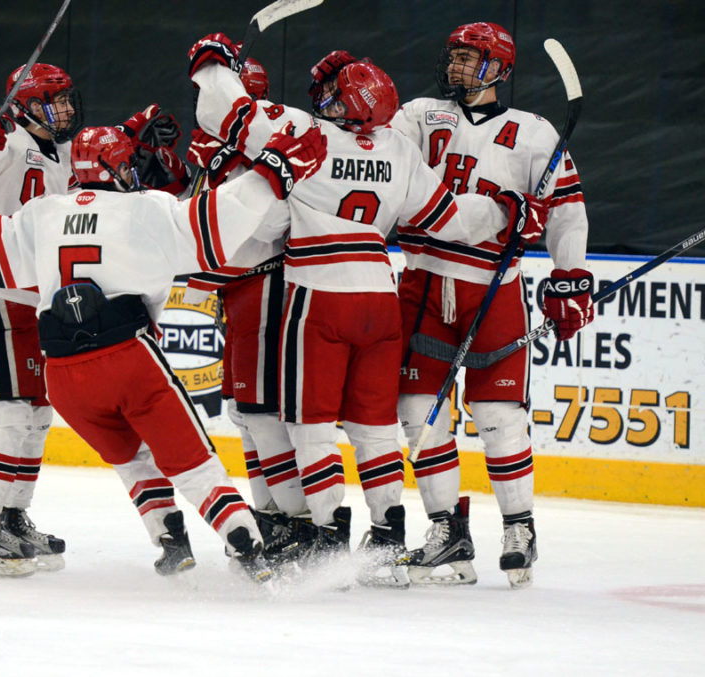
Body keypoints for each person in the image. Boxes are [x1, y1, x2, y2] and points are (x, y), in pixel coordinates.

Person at [0, 121, 329, 582]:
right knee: (192, 462)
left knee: (130, 458)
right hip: (128, 358)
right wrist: (272, 171)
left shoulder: (42, 212)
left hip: (62, 374)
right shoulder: (148, 209)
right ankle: (246, 544)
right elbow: (218, 221)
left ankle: (169, 538)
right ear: (116, 168)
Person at [188, 34, 539, 585]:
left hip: (319, 298)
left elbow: (223, 112)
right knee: (375, 428)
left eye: (332, 94)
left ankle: (329, 537)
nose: (323, 99)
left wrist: (211, 64)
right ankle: (387, 537)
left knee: (311, 427)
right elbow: (452, 217)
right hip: (379, 302)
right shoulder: (400, 152)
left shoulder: (308, 134)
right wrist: (506, 209)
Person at [0, 63, 193, 577]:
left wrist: (140, 133)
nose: (68, 111)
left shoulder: (69, 153)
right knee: (9, 409)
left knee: (34, 414)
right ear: (24, 105)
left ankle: (10, 514)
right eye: (54, 102)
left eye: (69, 100)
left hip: (43, 300)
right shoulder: (2, 144)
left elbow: (110, 156)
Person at [387, 22, 591, 588]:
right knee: (417, 414)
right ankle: (446, 534)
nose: (455, 66)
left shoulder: (534, 132)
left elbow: (567, 210)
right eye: (452, 55)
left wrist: (570, 275)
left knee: (499, 419)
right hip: (422, 285)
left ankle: (519, 527)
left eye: (469, 58)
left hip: (493, 291)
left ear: (499, 69)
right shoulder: (416, 115)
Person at [185, 57, 316, 566]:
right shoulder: (225, 149)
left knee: (265, 416)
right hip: (236, 290)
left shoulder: (276, 144)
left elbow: (268, 225)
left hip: (268, 285)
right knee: (245, 415)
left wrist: (232, 175)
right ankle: (270, 516)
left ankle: (298, 523)